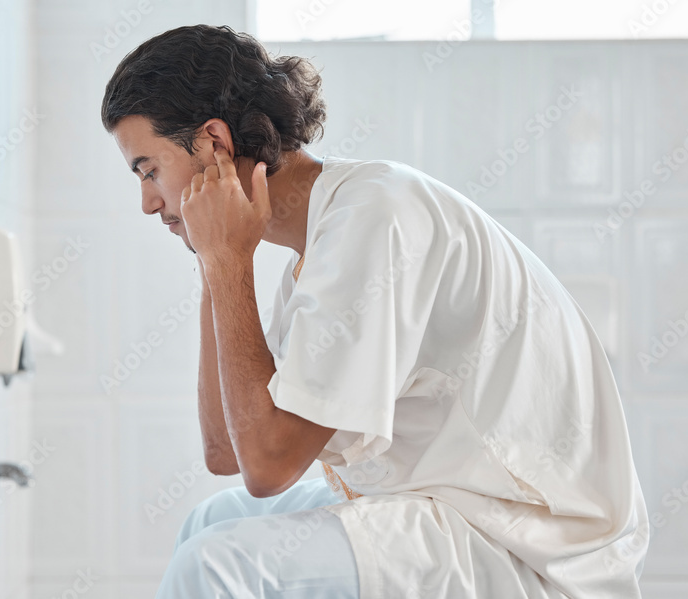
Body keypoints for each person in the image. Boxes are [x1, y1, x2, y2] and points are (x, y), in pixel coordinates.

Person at [101, 23, 649, 599]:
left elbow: (268, 468)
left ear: (214, 143)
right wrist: (215, 263)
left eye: (148, 170)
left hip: (531, 546)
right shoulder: (315, 258)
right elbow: (225, 453)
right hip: (453, 510)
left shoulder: (374, 214)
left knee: (218, 564)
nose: (147, 202)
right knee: (210, 523)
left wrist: (227, 259)